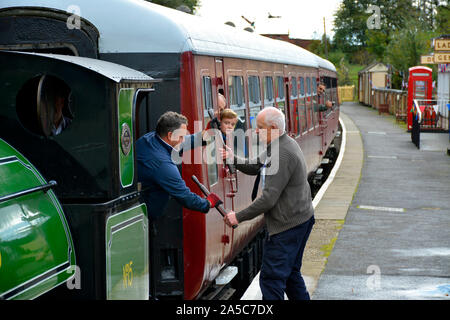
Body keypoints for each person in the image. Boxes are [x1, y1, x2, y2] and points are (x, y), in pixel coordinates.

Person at [221, 106, 315, 300]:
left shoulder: (280, 153)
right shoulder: (282, 143)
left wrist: (237, 217)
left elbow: (268, 199)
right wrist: (233, 159)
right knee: (290, 275)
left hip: (287, 226)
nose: (255, 131)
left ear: (272, 127)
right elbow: (257, 165)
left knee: (271, 279)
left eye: (259, 127)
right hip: (300, 220)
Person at [136, 111, 221, 219]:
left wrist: (206, 134)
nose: (183, 140)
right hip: (146, 218)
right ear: (170, 135)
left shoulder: (152, 138)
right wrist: (207, 203)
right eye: (181, 136)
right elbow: (185, 196)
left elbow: (185, 142)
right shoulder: (162, 164)